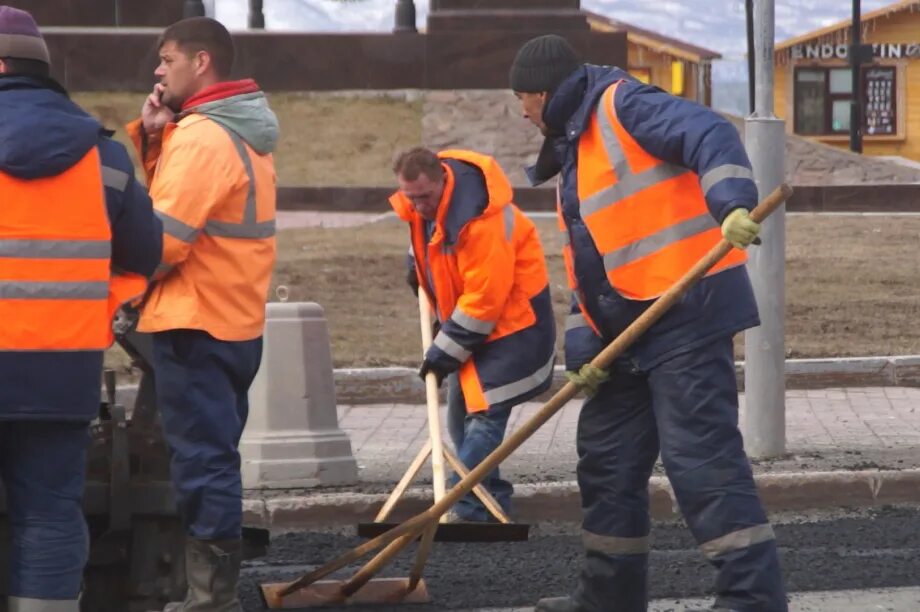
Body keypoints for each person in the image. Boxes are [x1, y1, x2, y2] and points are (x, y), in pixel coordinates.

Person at [508, 35, 787, 612]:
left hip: (685, 312)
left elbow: (710, 133)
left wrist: (732, 202)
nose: (521, 112)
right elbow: (589, 265)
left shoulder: (623, 105)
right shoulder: (574, 152)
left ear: (541, 92)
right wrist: (583, 352)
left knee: (701, 463)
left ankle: (753, 600)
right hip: (626, 332)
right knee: (606, 461)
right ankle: (609, 597)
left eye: (522, 99)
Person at [0, 6, 162, 611]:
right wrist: (96, 310)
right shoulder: (107, 157)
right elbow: (144, 257)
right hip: (60, 368)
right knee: (48, 511)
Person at [125, 16, 278, 611]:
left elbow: (163, 240)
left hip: (194, 319)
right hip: (234, 317)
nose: (158, 71)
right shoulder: (240, 130)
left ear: (201, 62)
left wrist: (119, 283)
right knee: (214, 456)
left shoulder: (203, 136)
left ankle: (210, 600)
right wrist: (159, 137)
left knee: (202, 462)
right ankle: (210, 591)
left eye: (167, 60)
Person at [390, 147, 556, 522]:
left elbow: (484, 299)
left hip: (513, 329)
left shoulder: (482, 221)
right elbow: (430, 256)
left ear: (443, 181)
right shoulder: (424, 211)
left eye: (424, 198)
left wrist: (442, 352)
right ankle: (487, 500)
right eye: (410, 198)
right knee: (458, 419)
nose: (418, 207)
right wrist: (417, 271)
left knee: (483, 419)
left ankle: (461, 506)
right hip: (474, 332)